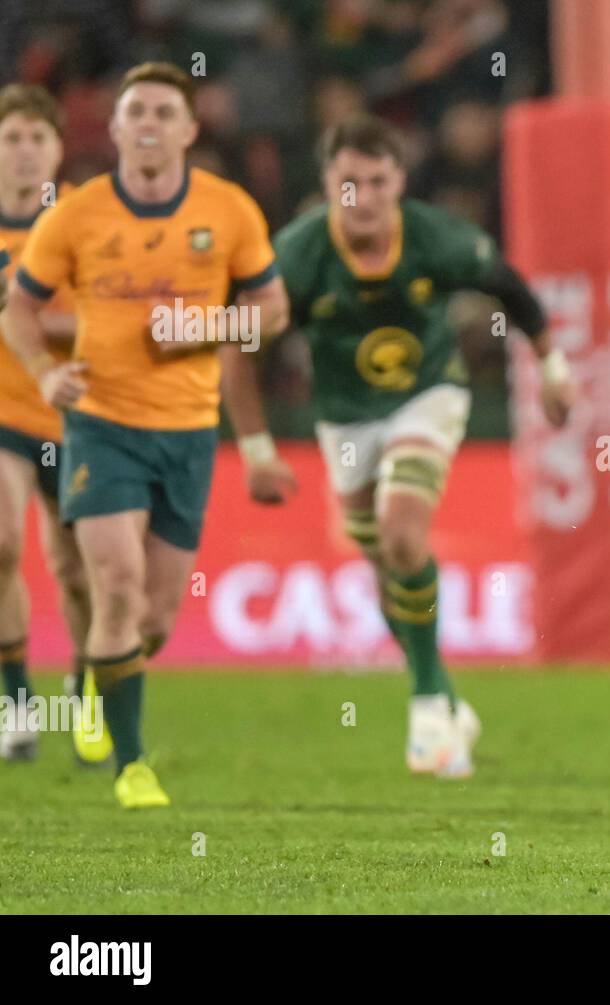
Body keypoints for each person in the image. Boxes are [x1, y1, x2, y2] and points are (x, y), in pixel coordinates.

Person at [220, 114, 574, 778]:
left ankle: (425, 699)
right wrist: (259, 448)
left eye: (377, 181)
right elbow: (239, 351)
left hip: (428, 395)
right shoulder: (294, 256)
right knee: (383, 558)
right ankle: (443, 696)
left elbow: (512, 290)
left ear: (399, 182)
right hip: (345, 418)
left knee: (402, 532)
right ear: (327, 184)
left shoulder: (436, 236)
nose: (364, 197)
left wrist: (553, 365)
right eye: (348, 182)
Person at [2, 62, 288, 807]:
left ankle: (93, 687)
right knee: (115, 584)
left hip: (189, 431)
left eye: (166, 110)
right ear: (118, 128)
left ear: (190, 129)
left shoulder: (230, 211)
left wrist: (203, 324)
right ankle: (133, 766)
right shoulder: (78, 214)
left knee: (152, 619)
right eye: (137, 112)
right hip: (98, 423)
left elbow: (274, 311)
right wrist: (42, 369)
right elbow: (20, 308)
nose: (151, 123)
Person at [0, 84, 94, 762]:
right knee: (2, 543)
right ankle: (16, 704)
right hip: (3, 410)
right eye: (12, 137)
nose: (25, 151)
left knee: (80, 570)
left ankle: (87, 689)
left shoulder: (84, 225)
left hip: (72, 414)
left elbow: (109, 323)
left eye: (38, 138)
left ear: (59, 149)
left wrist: (30, 316)